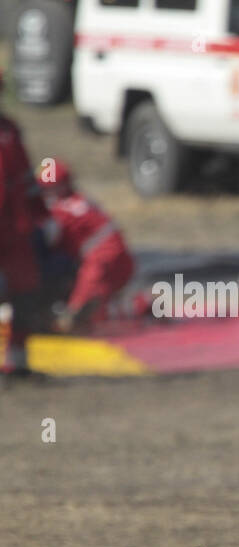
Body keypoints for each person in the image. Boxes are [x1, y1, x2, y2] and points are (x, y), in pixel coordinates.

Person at [37, 159, 134, 334]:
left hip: (100, 261)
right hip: (120, 258)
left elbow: (47, 242)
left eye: (45, 189)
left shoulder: (60, 210)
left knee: (74, 319)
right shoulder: (80, 199)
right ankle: (141, 303)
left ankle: (142, 304)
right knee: (97, 309)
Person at [0, 69, 50, 377]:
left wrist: (41, 215)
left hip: (14, 229)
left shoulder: (11, 132)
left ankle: (18, 361)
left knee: (26, 291)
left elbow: (26, 180)